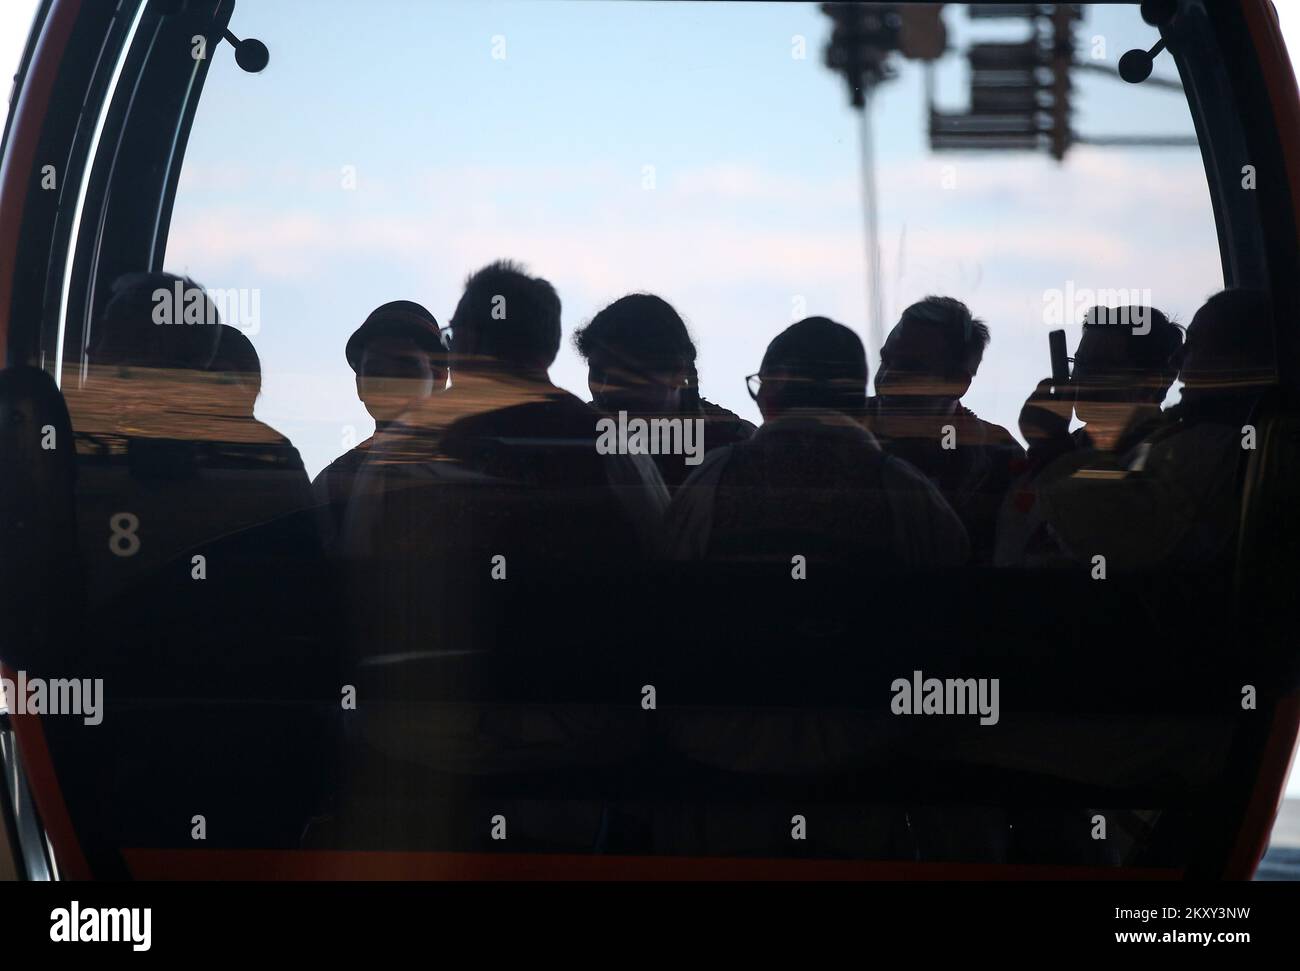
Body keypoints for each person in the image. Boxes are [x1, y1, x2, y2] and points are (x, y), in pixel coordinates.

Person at [664, 316, 969, 567]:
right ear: (858, 401)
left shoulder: (713, 477)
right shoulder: (908, 492)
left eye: (761, 385)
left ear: (773, 392)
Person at [1003, 290, 1270, 574]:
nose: (1079, 378)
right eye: (1078, 363)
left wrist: (1054, 449)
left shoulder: (1199, 451)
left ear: (1156, 380)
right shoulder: (1065, 452)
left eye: (1099, 366)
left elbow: (1122, 531)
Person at [868, 297, 1024, 562]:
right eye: (886, 361)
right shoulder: (998, 454)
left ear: (958, 384)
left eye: (910, 368)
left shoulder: (1001, 457)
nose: (887, 378)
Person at [573, 293, 754, 491]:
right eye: (597, 372)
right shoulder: (738, 445)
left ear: (677, 372)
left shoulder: (739, 446)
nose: (606, 390)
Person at [311, 301, 447, 546]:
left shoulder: (475, 466)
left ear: (439, 378)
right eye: (375, 370)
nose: (389, 380)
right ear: (359, 386)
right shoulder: (329, 486)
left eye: (406, 366)